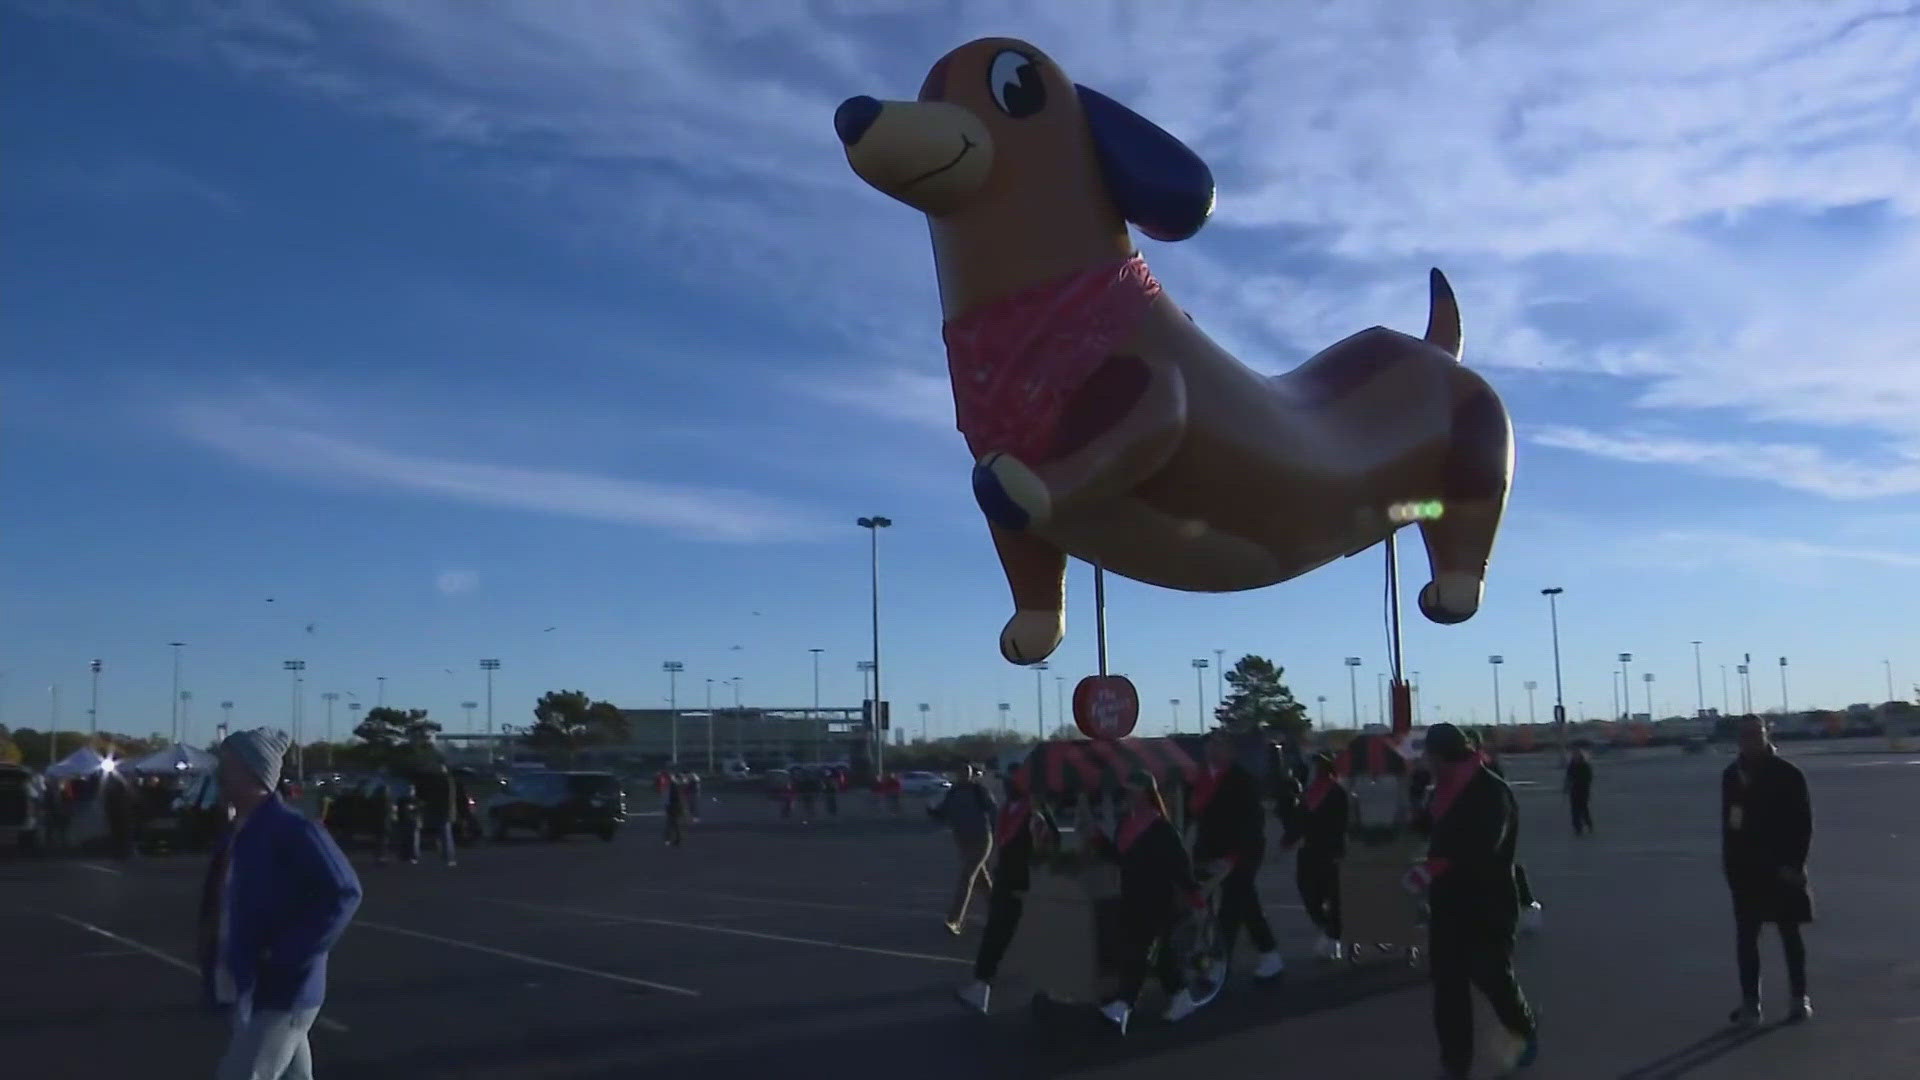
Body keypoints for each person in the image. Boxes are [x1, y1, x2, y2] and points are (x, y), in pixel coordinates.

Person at [199, 728, 361, 1080]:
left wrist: (286, 954)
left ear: (252, 772)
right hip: (253, 985)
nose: (219, 773)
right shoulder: (238, 832)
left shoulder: (293, 830)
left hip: (283, 991)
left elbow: (344, 892)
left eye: (227, 764)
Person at [1403, 723, 1537, 1080]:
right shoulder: (1441, 791)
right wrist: (1413, 802)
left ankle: (1523, 1029)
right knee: (1448, 988)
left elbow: (1483, 846)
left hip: (1488, 902)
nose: (1426, 762)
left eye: (1429, 756)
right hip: (1448, 904)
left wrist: (1432, 868)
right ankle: (1454, 1064)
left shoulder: (1491, 791)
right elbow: (1425, 828)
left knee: (1492, 976)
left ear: (1443, 756)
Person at [1096, 771, 1207, 1033]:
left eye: (1133, 790)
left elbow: (1179, 864)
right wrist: (1096, 838)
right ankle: (1180, 998)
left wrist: (1195, 896)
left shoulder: (1160, 827)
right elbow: (1120, 858)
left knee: (1139, 952)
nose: (1128, 795)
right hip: (1131, 897)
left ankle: (1123, 1005)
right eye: (1127, 790)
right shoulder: (1126, 823)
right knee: (1158, 957)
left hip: (1158, 899)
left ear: (1146, 793)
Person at [1723, 716, 1814, 1026]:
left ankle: (1799, 999)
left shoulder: (1788, 774)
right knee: (1746, 939)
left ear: (1766, 734)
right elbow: (1730, 824)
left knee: (1789, 933)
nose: (1749, 740)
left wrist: (1794, 865)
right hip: (1746, 870)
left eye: (1755, 733)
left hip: (1781, 867)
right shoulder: (1732, 775)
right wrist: (1730, 867)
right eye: (1744, 735)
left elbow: (1803, 824)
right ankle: (1751, 1004)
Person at [955, 767, 1055, 1013]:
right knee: (997, 934)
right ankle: (982, 985)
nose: (1007, 785)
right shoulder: (1008, 810)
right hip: (1006, 880)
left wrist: (1039, 834)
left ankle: (1041, 989)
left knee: (1024, 936)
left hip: (1026, 883)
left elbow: (1049, 846)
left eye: (1012, 781)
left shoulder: (1034, 811)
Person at [1191, 730, 1285, 984]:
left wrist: (1234, 857)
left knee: (1232, 906)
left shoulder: (1241, 780)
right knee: (1246, 903)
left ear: (1230, 751)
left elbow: (1251, 823)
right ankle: (1269, 953)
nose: (1213, 750)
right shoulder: (1201, 778)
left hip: (1242, 852)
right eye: (1210, 745)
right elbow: (1197, 817)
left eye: (1219, 745)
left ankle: (1220, 964)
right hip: (1211, 852)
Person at [1282, 751, 1350, 960]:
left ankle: (1333, 937)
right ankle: (1326, 927)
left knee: (1334, 897)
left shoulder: (1338, 792)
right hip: (1310, 850)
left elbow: (1345, 823)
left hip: (1332, 852)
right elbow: (1299, 820)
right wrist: (1288, 840)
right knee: (1309, 892)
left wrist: (1342, 850)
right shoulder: (1309, 793)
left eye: (1318, 765)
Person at [1475, 737, 1543, 932]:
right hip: (1488, 831)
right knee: (1505, 868)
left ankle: (1522, 908)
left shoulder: (1489, 776)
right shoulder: (1481, 773)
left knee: (1503, 869)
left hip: (1490, 831)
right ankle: (1523, 907)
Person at [931, 764, 996, 934]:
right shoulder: (953, 792)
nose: (963, 775)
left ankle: (955, 920)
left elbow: (993, 811)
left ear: (971, 774)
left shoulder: (979, 791)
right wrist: (933, 812)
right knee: (981, 879)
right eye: (960, 772)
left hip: (981, 838)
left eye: (967, 772)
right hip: (962, 839)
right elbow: (943, 812)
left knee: (967, 877)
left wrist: (998, 833)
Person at [418, 764, 458, 868]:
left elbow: (448, 797)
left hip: (443, 810)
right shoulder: (443, 780)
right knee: (443, 834)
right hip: (442, 810)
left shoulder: (443, 781)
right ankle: (446, 856)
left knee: (444, 834)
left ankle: (448, 857)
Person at [1564, 748, 1594, 836]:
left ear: (1580, 756)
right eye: (1574, 755)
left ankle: (1588, 824)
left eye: (1576, 755)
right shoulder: (1571, 765)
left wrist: (1580, 782)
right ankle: (1578, 828)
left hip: (1583, 790)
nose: (1575, 757)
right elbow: (1568, 777)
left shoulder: (1585, 765)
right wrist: (1566, 787)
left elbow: (1589, 778)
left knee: (1584, 809)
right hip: (1574, 791)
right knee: (1574, 810)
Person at [663, 774, 687, 847]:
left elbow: (670, 798)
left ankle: (669, 839)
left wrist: (667, 807)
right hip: (677, 807)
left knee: (671, 824)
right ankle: (675, 840)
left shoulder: (673, 786)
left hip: (673, 808)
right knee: (675, 825)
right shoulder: (679, 786)